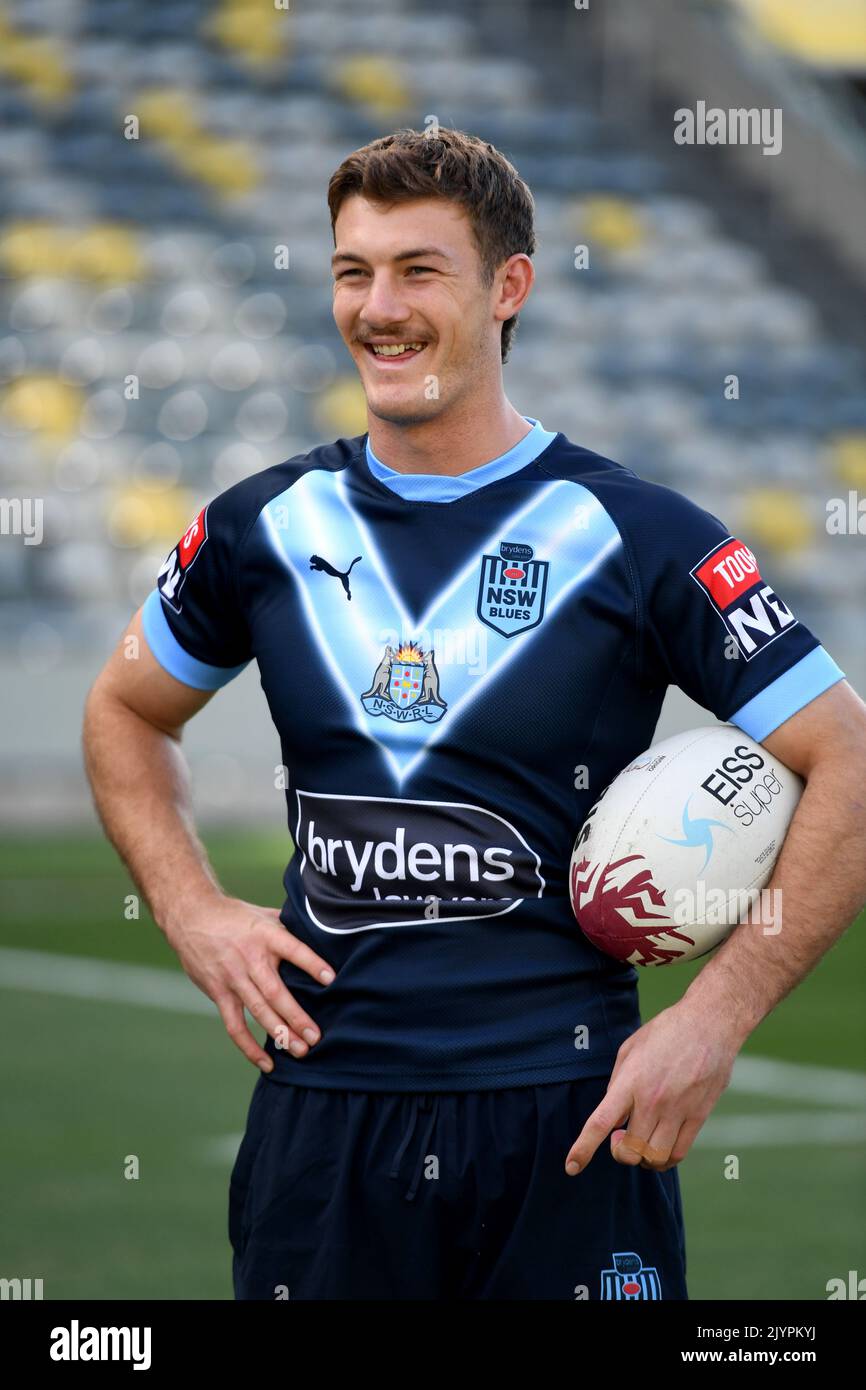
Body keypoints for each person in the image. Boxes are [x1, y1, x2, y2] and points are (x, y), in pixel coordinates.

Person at [83, 127, 866, 1301]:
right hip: (324, 1119)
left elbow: (844, 757)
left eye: (417, 270)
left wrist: (714, 1017)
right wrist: (192, 908)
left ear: (508, 287)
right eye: (353, 271)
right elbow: (125, 709)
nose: (376, 307)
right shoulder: (262, 526)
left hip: (567, 1127)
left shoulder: (636, 532)